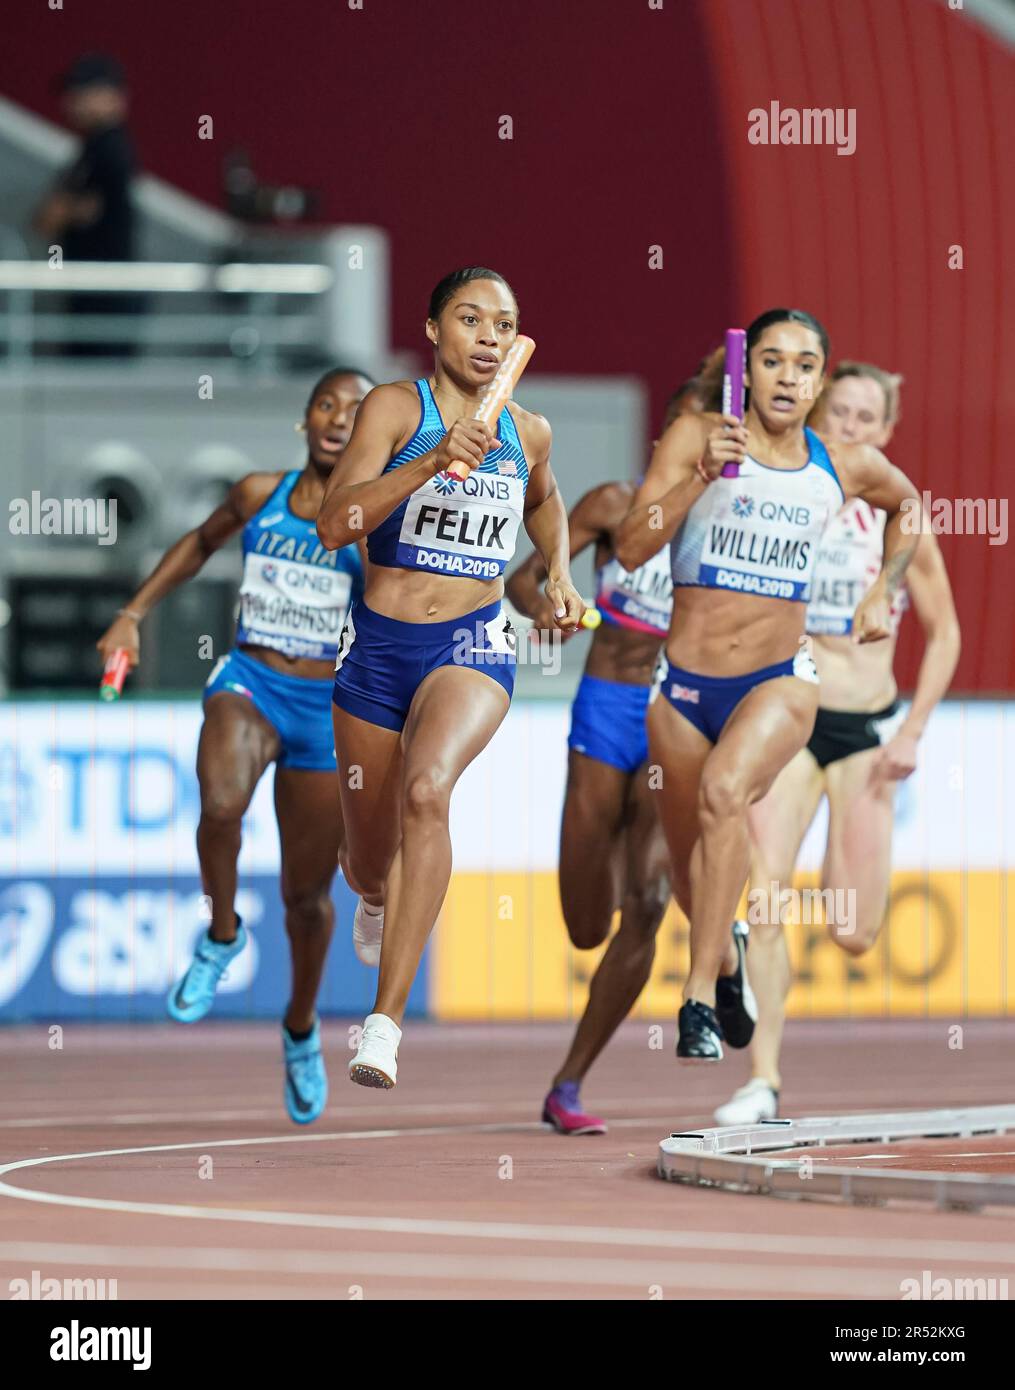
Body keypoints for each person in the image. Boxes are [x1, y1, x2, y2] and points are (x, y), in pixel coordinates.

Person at [614, 308, 923, 1063]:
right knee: (694, 873)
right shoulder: (696, 435)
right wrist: (694, 477)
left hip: (779, 680)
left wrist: (883, 586)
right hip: (684, 687)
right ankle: (727, 958)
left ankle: (693, 1002)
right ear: (744, 372)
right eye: (772, 362)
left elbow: (908, 505)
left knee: (725, 794)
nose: (788, 377)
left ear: (819, 380)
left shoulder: (839, 462)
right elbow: (630, 545)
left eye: (804, 365)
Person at [317, 266, 581, 1090]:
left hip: (471, 645)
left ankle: (384, 1025)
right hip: (376, 652)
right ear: (433, 330)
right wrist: (433, 460)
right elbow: (334, 523)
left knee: (429, 790)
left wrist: (560, 576)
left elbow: (544, 502)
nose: (489, 337)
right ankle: (369, 887)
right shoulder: (396, 408)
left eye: (503, 323)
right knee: (368, 858)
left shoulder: (527, 431)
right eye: (470, 319)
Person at [96, 367, 373, 1123]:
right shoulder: (261, 494)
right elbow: (197, 541)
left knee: (306, 901)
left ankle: (300, 1028)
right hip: (250, 677)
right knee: (220, 806)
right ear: (304, 420)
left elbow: (400, 618)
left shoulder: (368, 528)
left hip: (325, 707)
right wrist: (133, 614)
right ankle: (221, 934)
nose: (337, 420)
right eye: (325, 405)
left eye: (355, 411)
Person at [715, 361, 960, 1124]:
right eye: (840, 414)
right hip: (790, 717)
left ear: (885, 433)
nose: (850, 428)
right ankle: (761, 1080)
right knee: (766, 895)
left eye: (866, 418)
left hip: (863, 734)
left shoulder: (902, 523)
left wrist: (912, 730)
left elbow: (947, 632)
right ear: (819, 418)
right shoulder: (789, 498)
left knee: (852, 931)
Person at [506, 384, 705, 1135]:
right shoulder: (611, 503)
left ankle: (567, 1084)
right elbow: (524, 582)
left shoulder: (721, 529)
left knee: (649, 902)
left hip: (676, 715)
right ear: (664, 442)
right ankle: (568, 1073)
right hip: (604, 709)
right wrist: (554, 606)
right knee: (587, 925)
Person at [33, 54, 142, 356]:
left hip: (107, 299)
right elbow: (46, 218)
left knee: (99, 391)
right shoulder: (92, 148)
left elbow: (55, 215)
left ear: (111, 96)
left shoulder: (109, 149)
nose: (72, 102)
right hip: (90, 294)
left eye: (82, 92)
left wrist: (67, 210)